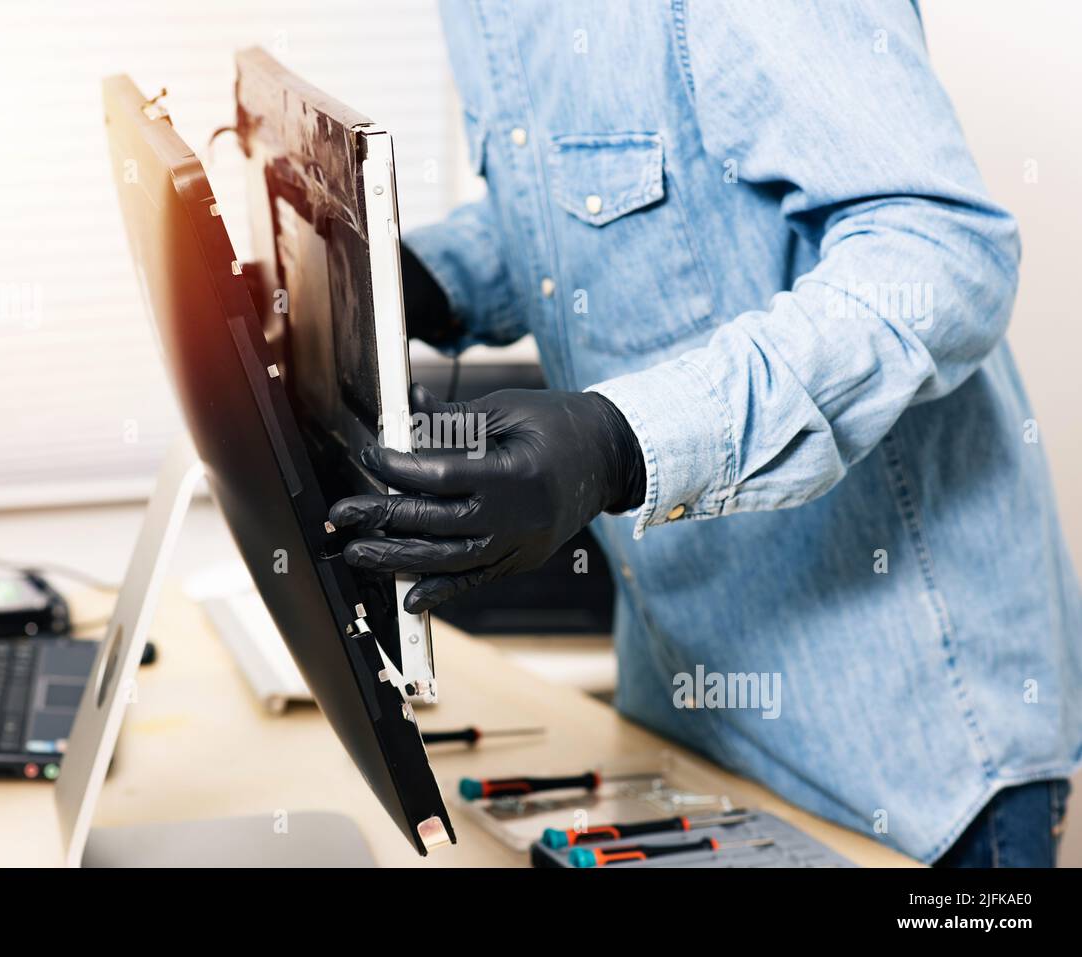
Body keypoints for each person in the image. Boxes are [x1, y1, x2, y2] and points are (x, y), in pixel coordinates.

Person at [327, 1, 1079, 866]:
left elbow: (943, 256)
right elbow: (588, 210)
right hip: (678, 714)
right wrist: (424, 281)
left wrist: (622, 442)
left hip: (908, 759)